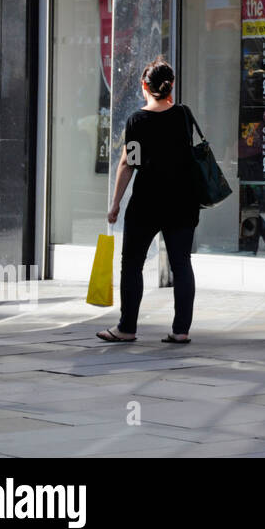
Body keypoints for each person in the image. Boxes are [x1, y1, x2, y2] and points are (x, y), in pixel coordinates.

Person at [97, 57, 200, 345]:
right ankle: (181, 330)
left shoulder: (137, 120)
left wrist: (115, 203)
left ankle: (127, 327)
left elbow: (129, 164)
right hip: (183, 200)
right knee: (182, 264)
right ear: (171, 86)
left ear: (144, 86)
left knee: (132, 265)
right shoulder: (183, 115)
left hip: (147, 202)